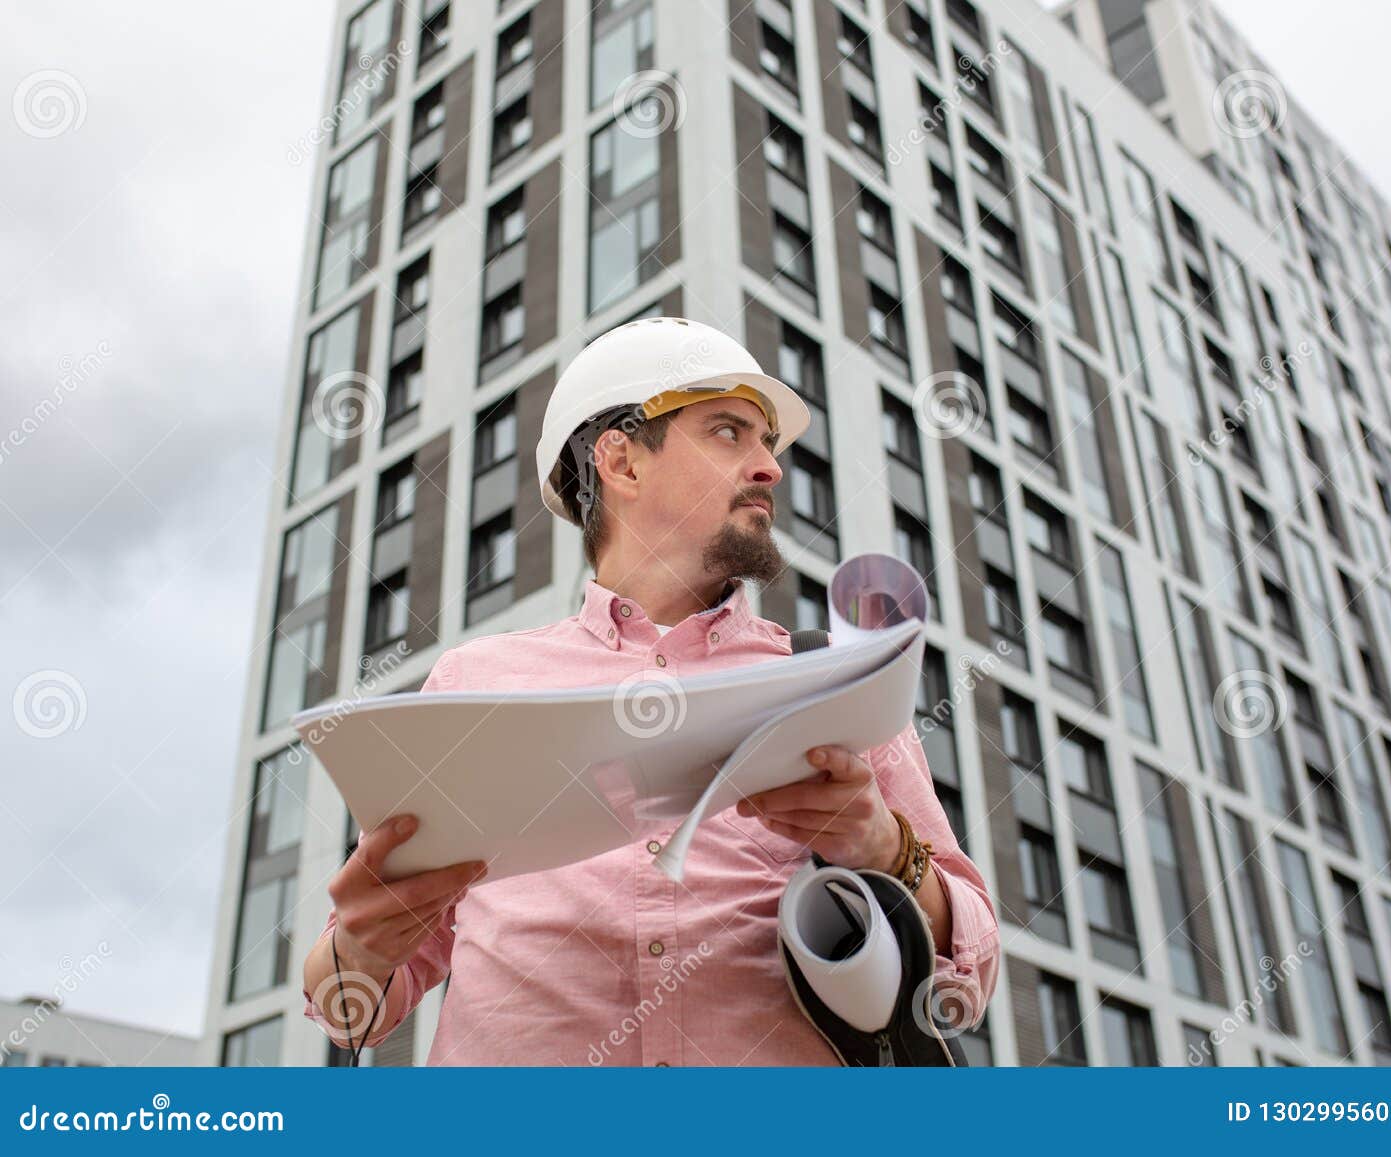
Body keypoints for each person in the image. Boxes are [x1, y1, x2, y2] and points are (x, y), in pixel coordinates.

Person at [301, 317, 999, 1065]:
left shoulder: (837, 680)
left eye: (768, 442)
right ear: (622, 462)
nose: (770, 467)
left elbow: (973, 968)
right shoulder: (473, 685)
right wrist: (361, 946)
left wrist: (882, 847)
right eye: (730, 432)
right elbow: (359, 1010)